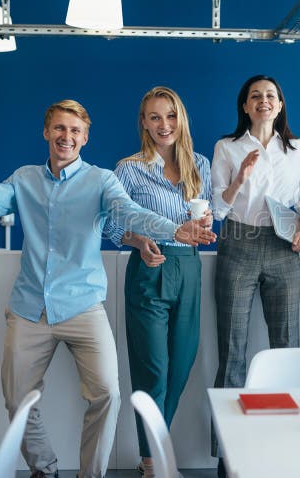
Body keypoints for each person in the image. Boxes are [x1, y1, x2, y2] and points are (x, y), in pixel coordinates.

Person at [0, 99, 216, 478]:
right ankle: (44, 469)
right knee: (17, 400)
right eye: (60, 128)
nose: (67, 136)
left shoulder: (102, 181)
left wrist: (174, 230)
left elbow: (130, 213)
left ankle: (89, 475)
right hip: (29, 308)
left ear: (85, 138)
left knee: (108, 395)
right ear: (46, 132)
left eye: (75, 130)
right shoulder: (24, 179)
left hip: (83, 307)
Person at [210, 75, 300, 474]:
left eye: (271, 95)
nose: (264, 101)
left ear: (280, 104)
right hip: (238, 243)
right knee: (232, 352)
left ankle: (288, 451)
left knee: (287, 349)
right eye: (255, 96)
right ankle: (226, 458)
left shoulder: (295, 147)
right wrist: (240, 177)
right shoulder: (227, 147)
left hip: (284, 245)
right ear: (245, 105)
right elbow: (217, 209)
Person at [104, 87, 212, 478]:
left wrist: (205, 223)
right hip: (150, 268)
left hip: (189, 268)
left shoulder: (199, 164)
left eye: (170, 116)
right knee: (153, 371)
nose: (164, 125)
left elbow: (207, 215)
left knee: (180, 368)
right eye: (155, 117)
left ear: (180, 119)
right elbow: (111, 226)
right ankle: (154, 462)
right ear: (144, 123)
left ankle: (155, 451)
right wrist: (140, 241)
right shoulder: (128, 169)